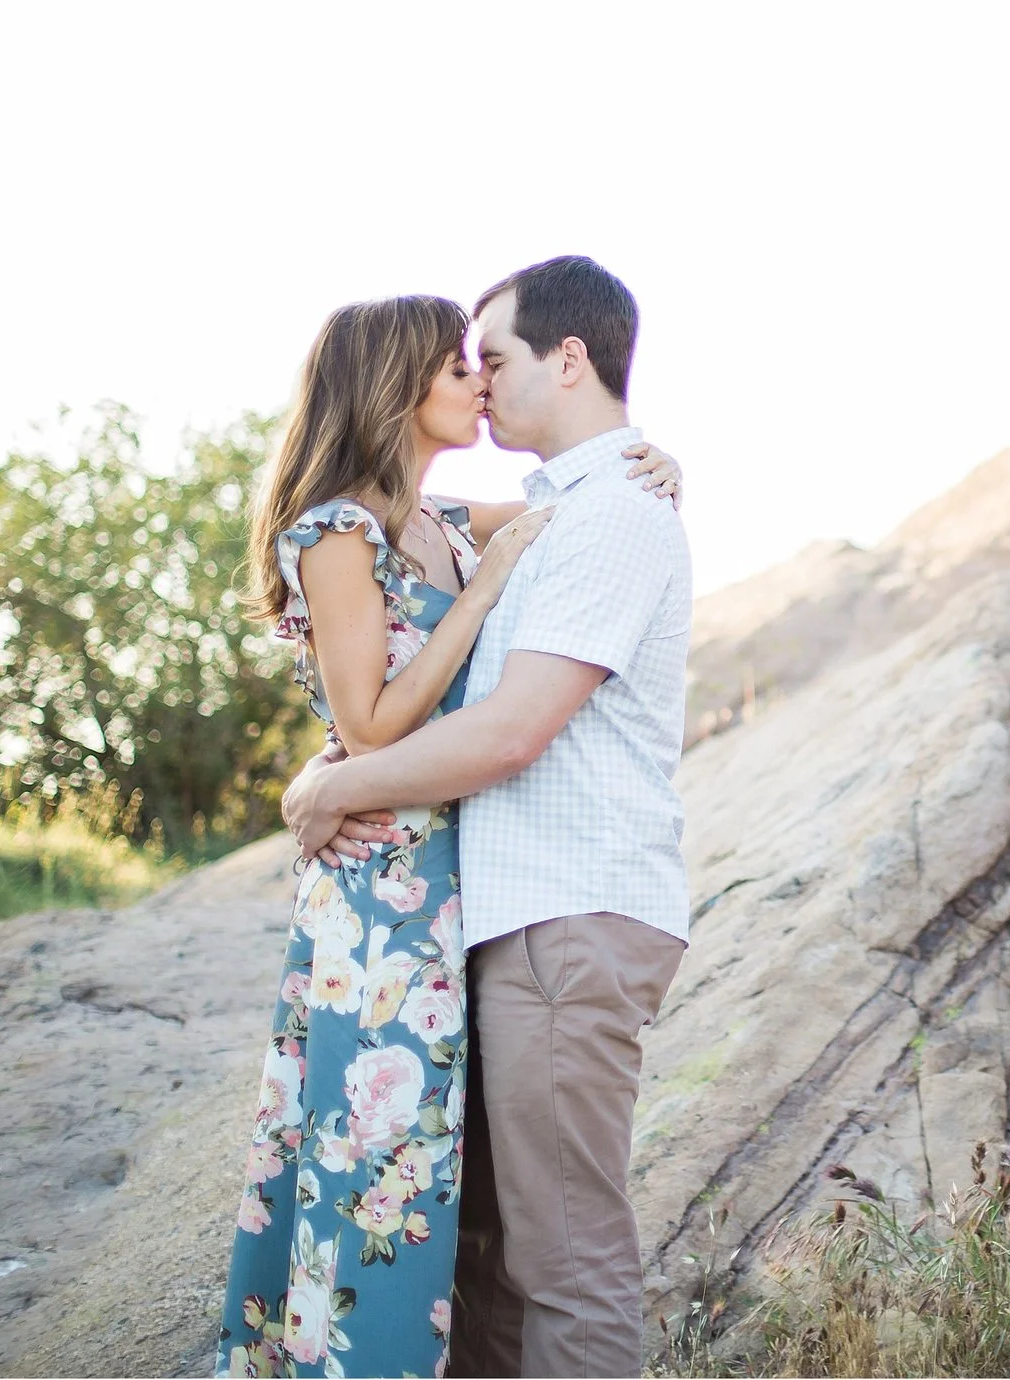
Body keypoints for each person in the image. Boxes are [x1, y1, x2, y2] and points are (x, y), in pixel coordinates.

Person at [215, 289, 677, 1380]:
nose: (476, 380)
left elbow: (574, 505)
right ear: (397, 385)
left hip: (459, 890)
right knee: (376, 1177)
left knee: (432, 1197)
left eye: (487, 360)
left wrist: (650, 460)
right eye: (455, 365)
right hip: (383, 892)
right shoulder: (336, 530)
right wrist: (485, 594)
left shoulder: (441, 520)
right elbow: (369, 721)